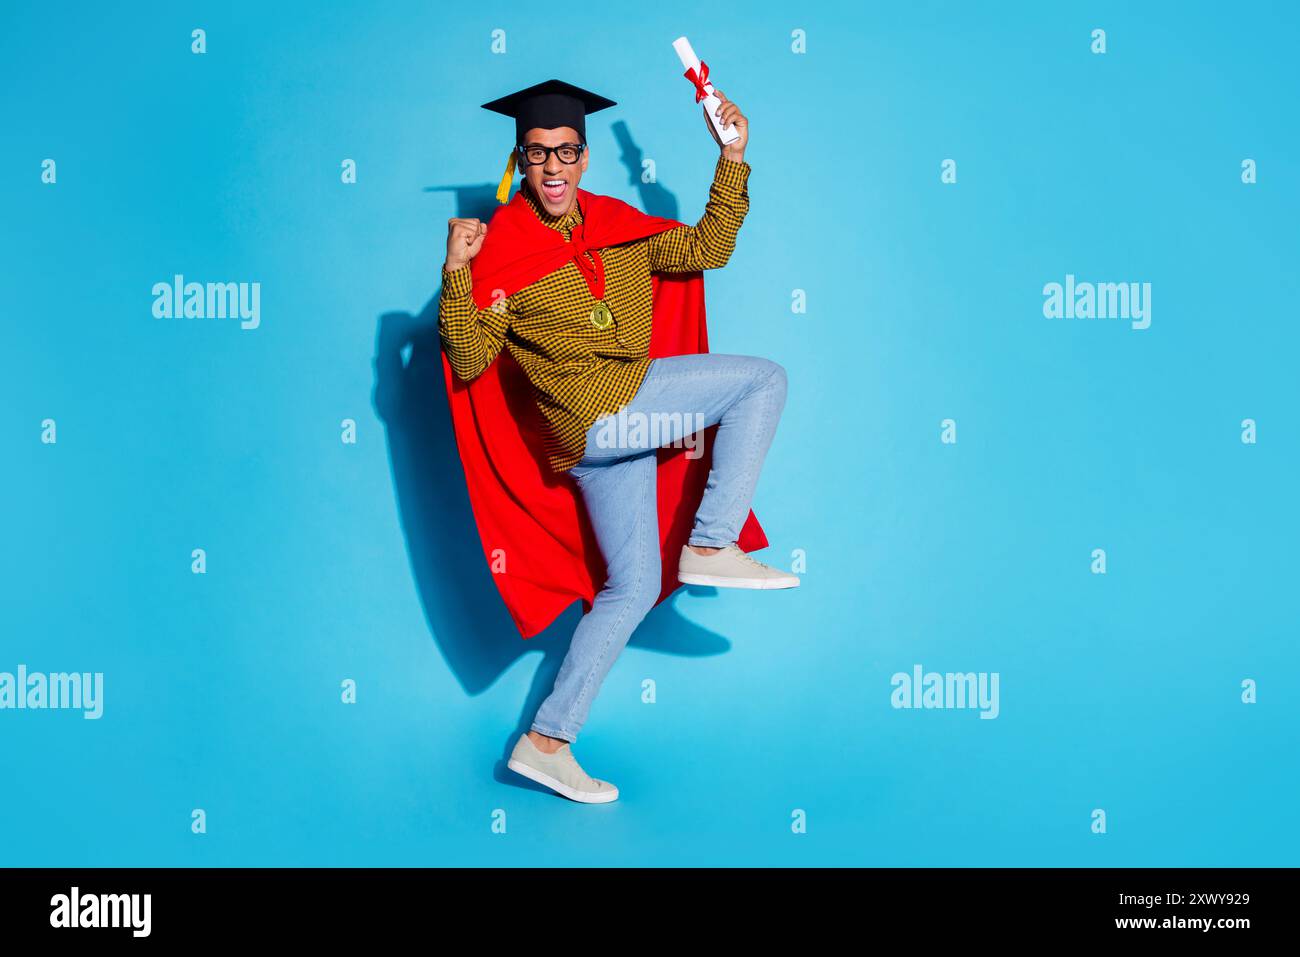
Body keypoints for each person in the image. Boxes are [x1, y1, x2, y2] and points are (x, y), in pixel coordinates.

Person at [438, 79, 796, 804]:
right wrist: (455, 273)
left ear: (584, 156)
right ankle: (710, 541)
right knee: (763, 380)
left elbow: (707, 247)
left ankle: (546, 741)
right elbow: (471, 360)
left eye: (566, 152)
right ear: (522, 160)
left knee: (628, 588)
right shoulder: (503, 247)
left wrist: (732, 157)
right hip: (597, 414)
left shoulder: (616, 225)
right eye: (538, 156)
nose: (554, 169)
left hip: (608, 438)